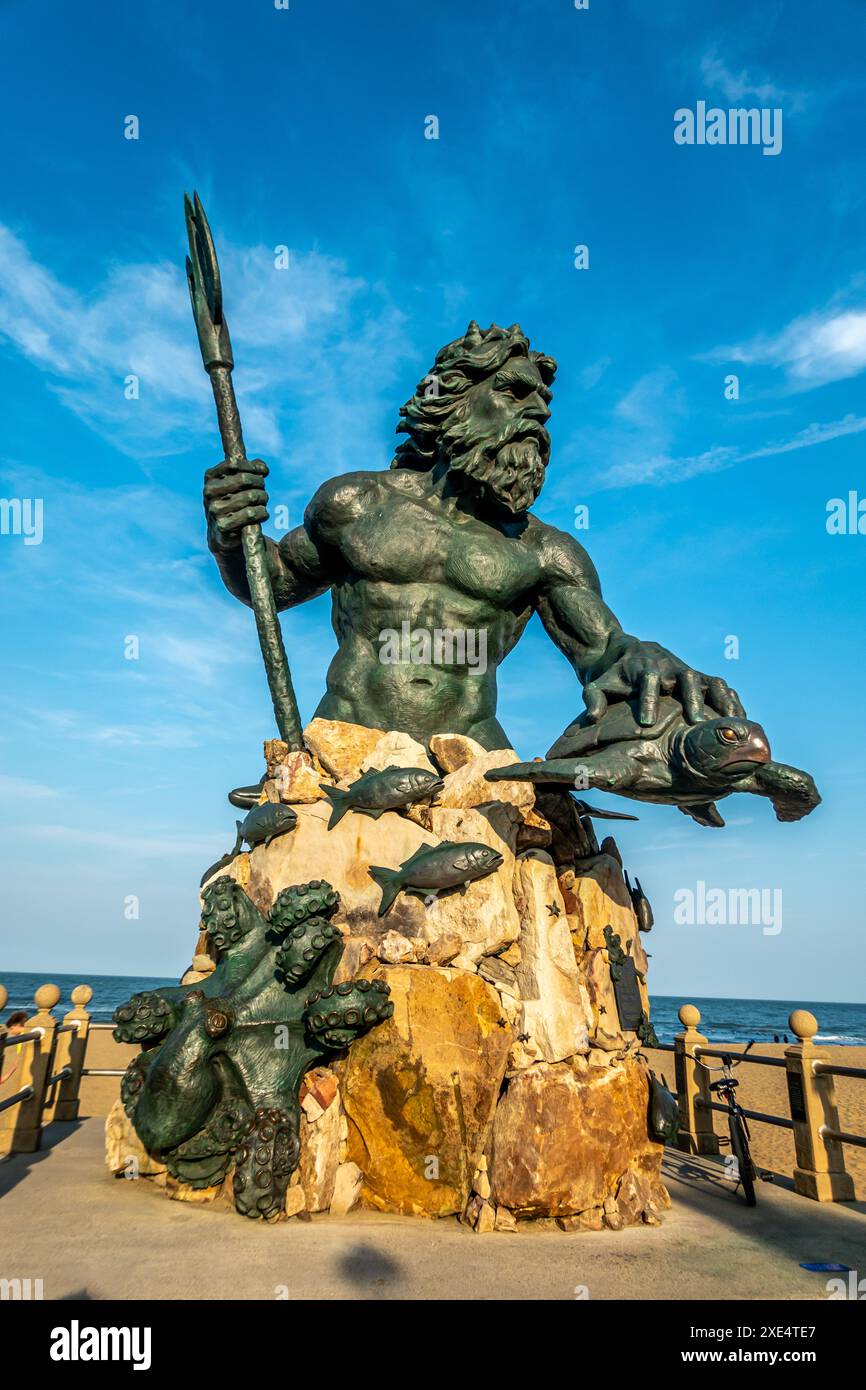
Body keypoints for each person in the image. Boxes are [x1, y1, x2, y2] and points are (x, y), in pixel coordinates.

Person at [205, 322, 745, 752]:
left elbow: (605, 650)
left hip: (472, 760)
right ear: (455, 399)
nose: (539, 411)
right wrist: (231, 536)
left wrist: (644, 655)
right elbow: (270, 586)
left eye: (544, 403)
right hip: (345, 747)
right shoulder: (356, 502)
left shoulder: (543, 551)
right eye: (515, 392)